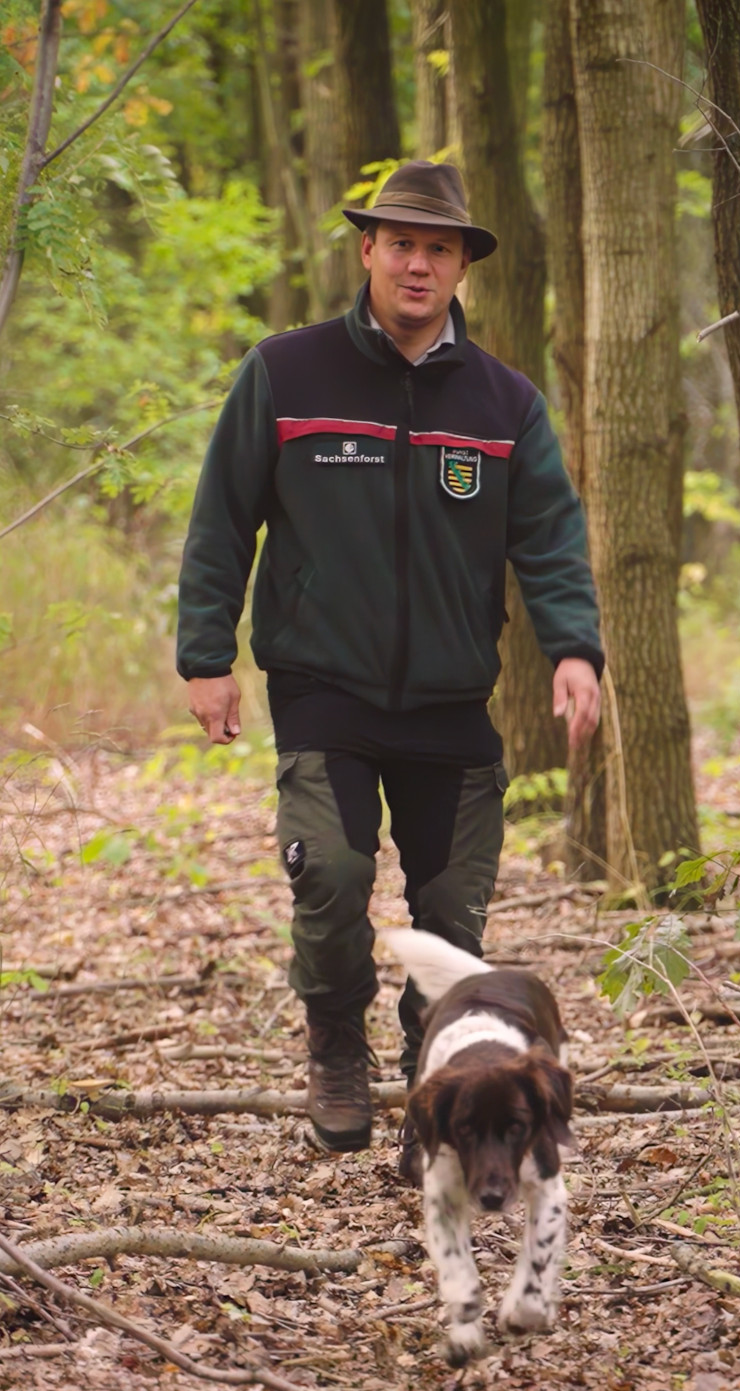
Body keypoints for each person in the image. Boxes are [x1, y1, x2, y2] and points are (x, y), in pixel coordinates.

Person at [176, 161, 603, 1168]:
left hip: (455, 699)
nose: (418, 265)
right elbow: (222, 518)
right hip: (324, 687)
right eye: (401, 244)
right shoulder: (288, 372)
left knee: (453, 920)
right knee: (329, 871)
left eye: (439, 249)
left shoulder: (505, 402)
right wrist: (207, 654)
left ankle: (432, 1072)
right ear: (367, 249)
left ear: (462, 266)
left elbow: (547, 536)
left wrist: (573, 647)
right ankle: (333, 1039)